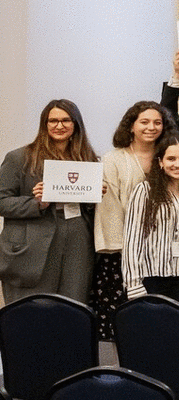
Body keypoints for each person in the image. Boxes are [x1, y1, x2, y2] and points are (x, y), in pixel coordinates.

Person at [0, 99, 100, 303]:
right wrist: (37, 203)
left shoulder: (87, 159)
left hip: (77, 238)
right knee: (32, 308)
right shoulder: (19, 157)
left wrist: (95, 194)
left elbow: (90, 208)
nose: (59, 125)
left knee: (72, 306)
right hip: (33, 243)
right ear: (44, 124)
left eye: (66, 120)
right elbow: (2, 201)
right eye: (53, 120)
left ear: (76, 124)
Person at [92, 101, 173, 339]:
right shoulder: (113, 159)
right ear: (131, 126)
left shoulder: (172, 156)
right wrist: (126, 250)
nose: (151, 127)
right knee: (125, 322)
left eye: (157, 122)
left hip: (163, 253)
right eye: (144, 122)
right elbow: (110, 209)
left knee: (159, 321)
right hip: (123, 253)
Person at [121, 135, 179, 302]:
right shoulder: (145, 190)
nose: (178, 164)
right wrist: (133, 283)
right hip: (149, 279)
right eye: (171, 159)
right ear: (161, 162)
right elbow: (132, 238)